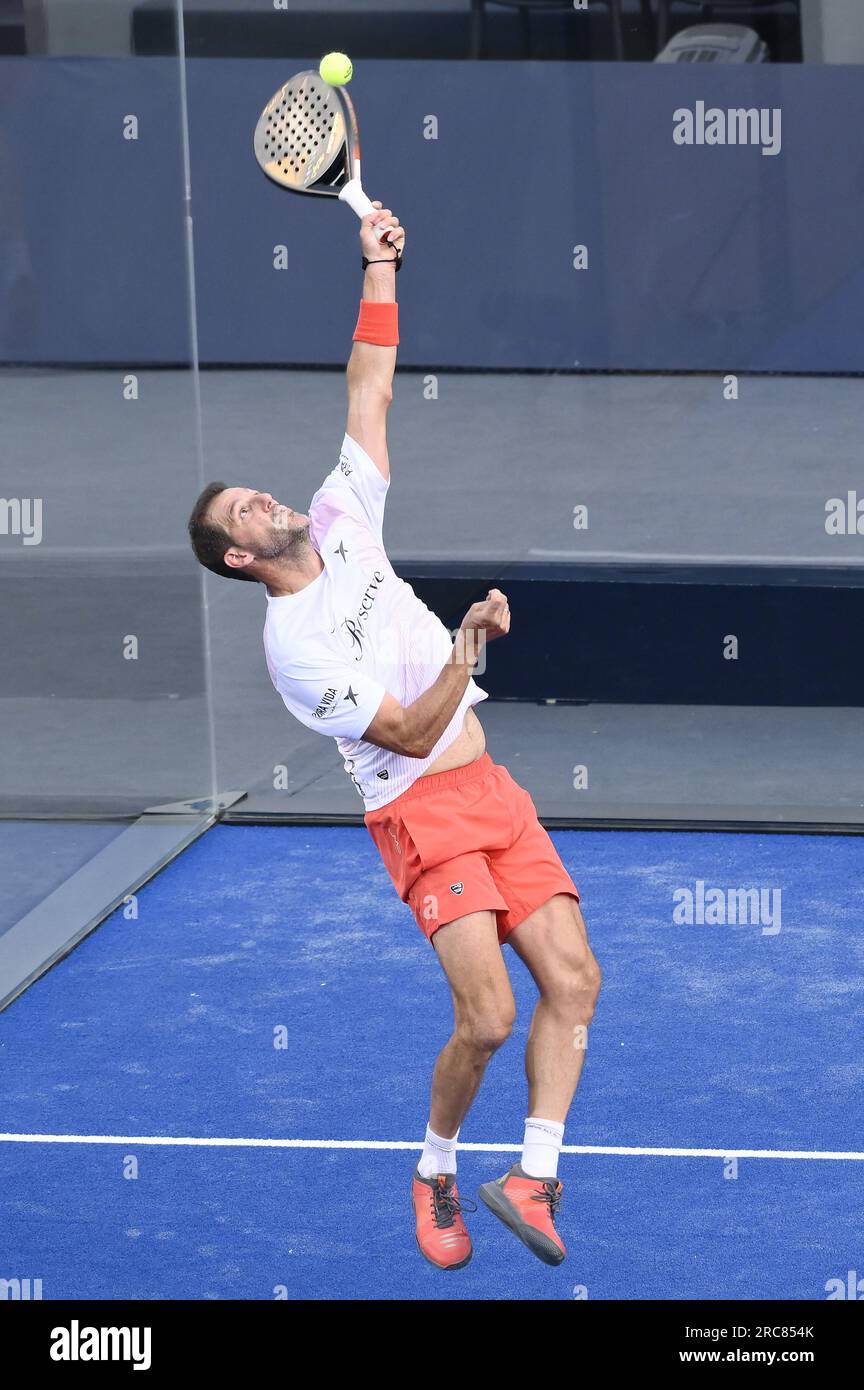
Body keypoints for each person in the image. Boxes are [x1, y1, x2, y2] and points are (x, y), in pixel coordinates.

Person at [187, 202, 602, 1270]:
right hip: (419, 811)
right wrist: (467, 637)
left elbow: (368, 384)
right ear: (239, 558)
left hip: (490, 785)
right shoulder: (295, 648)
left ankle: (534, 1175)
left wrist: (377, 267)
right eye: (245, 513)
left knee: (577, 979)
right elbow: (414, 733)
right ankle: (434, 1168)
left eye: (256, 494)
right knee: (490, 1017)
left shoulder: (338, 513)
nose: (266, 502)